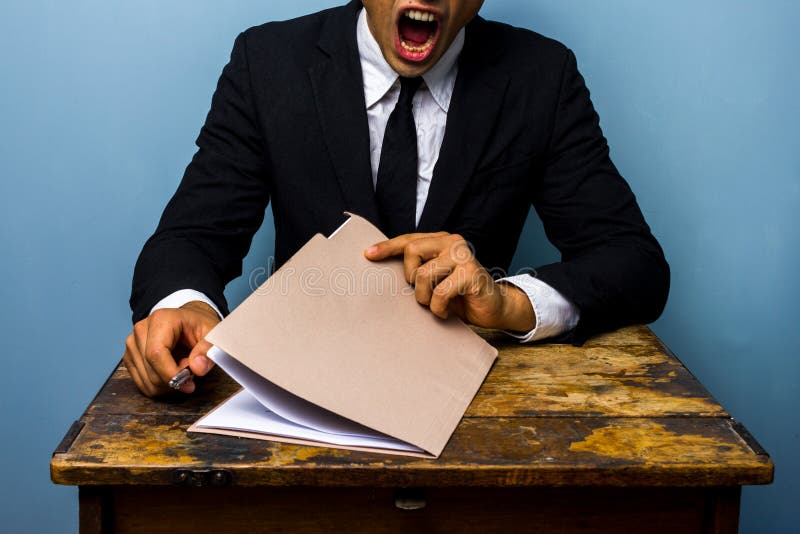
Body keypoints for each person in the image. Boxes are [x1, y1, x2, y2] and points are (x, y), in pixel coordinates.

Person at [124, 0, 669, 397]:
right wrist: (183, 305)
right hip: (299, 395)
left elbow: (634, 263)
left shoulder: (540, 78)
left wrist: (508, 303)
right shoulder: (267, 63)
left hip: (472, 406)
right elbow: (192, 235)